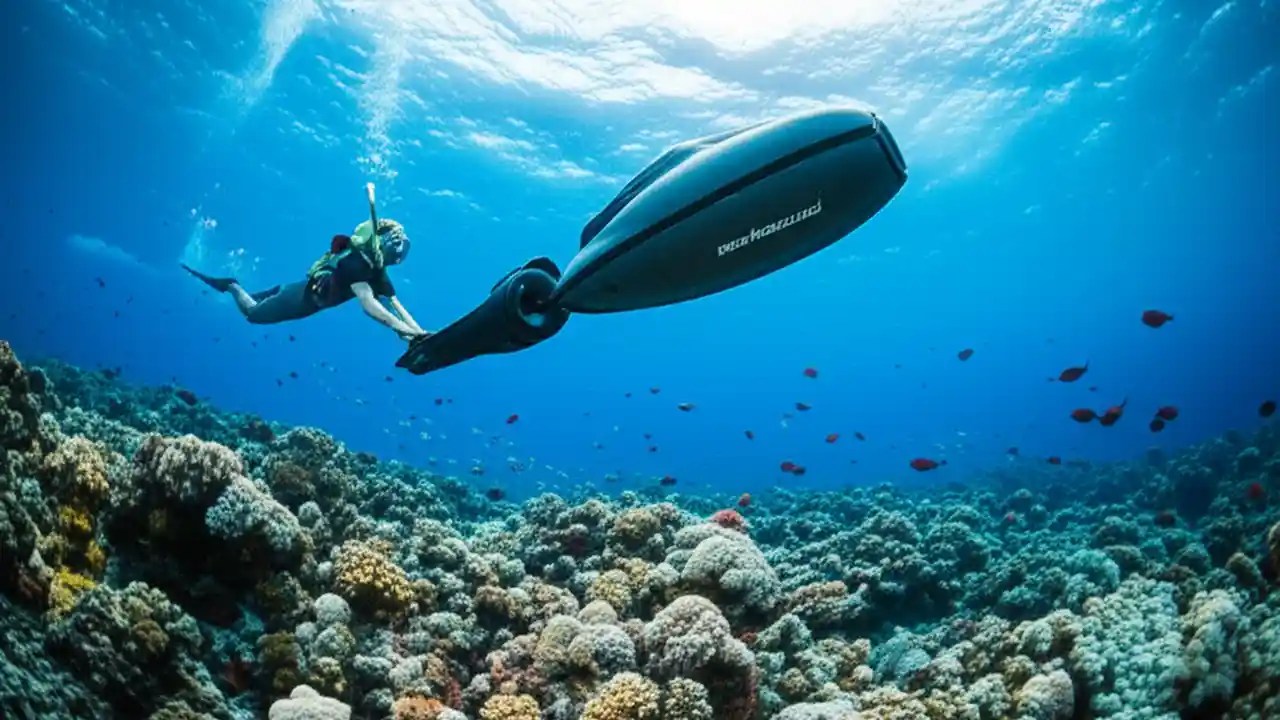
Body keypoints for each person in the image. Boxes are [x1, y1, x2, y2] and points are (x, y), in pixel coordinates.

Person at [183, 218, 429, 340]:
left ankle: (254, 290)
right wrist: (407, 331)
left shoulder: (377, 271)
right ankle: (231, 285)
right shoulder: (355, 264)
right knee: (253, 315)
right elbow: (370, 305)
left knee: (265, 301)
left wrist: (415, 334)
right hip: (298, 299)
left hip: (296, 289)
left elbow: (392, 303)